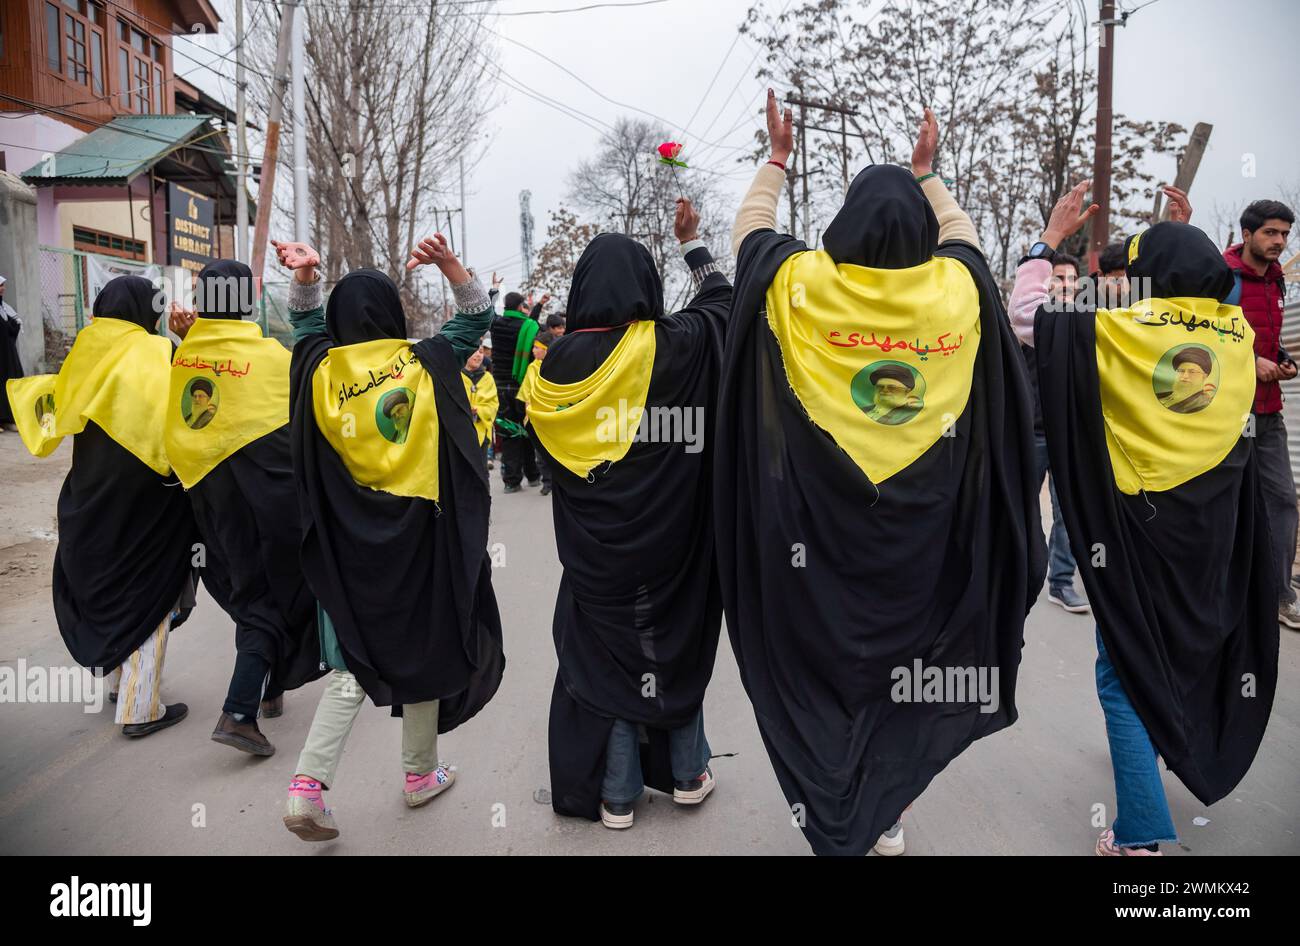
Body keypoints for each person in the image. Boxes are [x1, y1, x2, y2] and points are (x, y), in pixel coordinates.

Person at [714, 94, 1045, 857]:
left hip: (816, 532)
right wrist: (928, 174)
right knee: (904, 668)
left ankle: (833, 804)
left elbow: (750, 234)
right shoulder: (958, 291)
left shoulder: (797, 284)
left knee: (829, 664)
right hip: (923, 536)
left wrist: (776, 157)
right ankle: (884, 807)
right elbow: (962, 236)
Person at [1011, 182, 1277, 855]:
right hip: (1212, 529)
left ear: (1146, 280)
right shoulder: (1239, 333)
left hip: (1139, 530)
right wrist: (1179, 235)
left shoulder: (1118, 328)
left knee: (1122, 668)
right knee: (1174, 648)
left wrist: (1049, 239)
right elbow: (1219, 290)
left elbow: (1025, 317)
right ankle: (1157, 760)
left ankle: (1139, 835)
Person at [273, 235, 505, 842]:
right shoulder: (426, 358)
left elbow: (302, 323)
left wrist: (305, 276)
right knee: (424, 647)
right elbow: (478, 318)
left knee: (355, 661)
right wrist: (452, 265)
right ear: (393, 316)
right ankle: (417, 774)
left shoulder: (320, 366)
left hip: (347, 541)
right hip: (419, 538)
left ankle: (309, 789)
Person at [534, 198, 730, 830]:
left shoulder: (554, 369)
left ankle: (618, 794)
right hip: (674, 545)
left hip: (595, 553)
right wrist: (692, 245)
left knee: (608, 653)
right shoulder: (672, 347)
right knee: (674, 639)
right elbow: (724, 306)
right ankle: (687, 773)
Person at [5, 276, 199, 736]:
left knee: (108, 584)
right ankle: (139, 706)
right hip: (148, 495)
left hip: (89, 491)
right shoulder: (157, 352)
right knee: (150, 589)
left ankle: (119, 680)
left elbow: (57, 409)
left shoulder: (84, 351)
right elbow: (194, 403)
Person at [165, 259, 324, 758]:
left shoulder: (186, 359)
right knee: (274, 593)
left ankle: (268, 687)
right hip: (270, 503)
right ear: (247, 302)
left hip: (210, 500)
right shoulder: (272, 358)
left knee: (249, 586)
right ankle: (239, 711)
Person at [1223, 199, 1298, 629]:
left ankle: (1279, 595)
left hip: (1269, 413)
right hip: (1227, 415)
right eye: (1271, 233)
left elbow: (1269, 339)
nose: (1280, 242)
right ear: (1247, 234)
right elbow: (1201, 335)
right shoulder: (1220, 277)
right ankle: (1224, 590)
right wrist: (1249, 362)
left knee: (1282, 502)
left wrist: (1282, 359)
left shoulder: (1278, 281)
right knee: (1228, 504)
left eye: (1285, 234)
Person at [1018, 248, 1088, 613]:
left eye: (1071, 279)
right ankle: (1017, 573)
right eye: (1058, 278)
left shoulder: (1085, 323)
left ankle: (1061, 582)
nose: (1065, 284)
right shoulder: (1027, 325)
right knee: (1021, 509)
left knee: (1069, 513)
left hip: (1069, 436)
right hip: (1030, 433)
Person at [490, 290, 549, 492]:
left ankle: (511, 481)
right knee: (527, 430)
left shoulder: (495, 324)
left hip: (499, 386)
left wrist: (493, 291)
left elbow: (486, 311)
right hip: (522, 386)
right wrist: (538, 307)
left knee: (508, 433)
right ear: (520, 307)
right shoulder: (528, 327)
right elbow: (537, 328)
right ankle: (533, 475)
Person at [517, 329, 554, 495]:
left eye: (537, 347)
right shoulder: (532, 367)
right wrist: (528, 414)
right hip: (536, 417)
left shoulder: (555, 365)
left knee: (554, 451)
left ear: (546, 349)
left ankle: (558, 481)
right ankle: (547, 482)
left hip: (553, 415)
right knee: (540, 454)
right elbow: (526, 393)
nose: (533, 351)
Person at [462, 339, 497, 471]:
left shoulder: (487, 378)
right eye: (474, 352)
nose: (478, 355)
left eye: (481, 352)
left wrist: (479, 410)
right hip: (462, 432)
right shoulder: (457, 376)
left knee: (481, 473)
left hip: (482, 432)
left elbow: (493, 405)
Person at [1155, 346, 1216, 413]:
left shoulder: (1201, 405)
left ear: (1204, 376)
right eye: (1181, 371)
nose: (1185, 376)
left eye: (1192, 372)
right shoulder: (1162, 396)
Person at [0, 274, 23, 432]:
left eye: (3, 286)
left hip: (7, 353)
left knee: (10, 380)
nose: (3, 288)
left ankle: (8, 419)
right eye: (0, 286)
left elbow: (13, 326)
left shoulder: (5, 307)